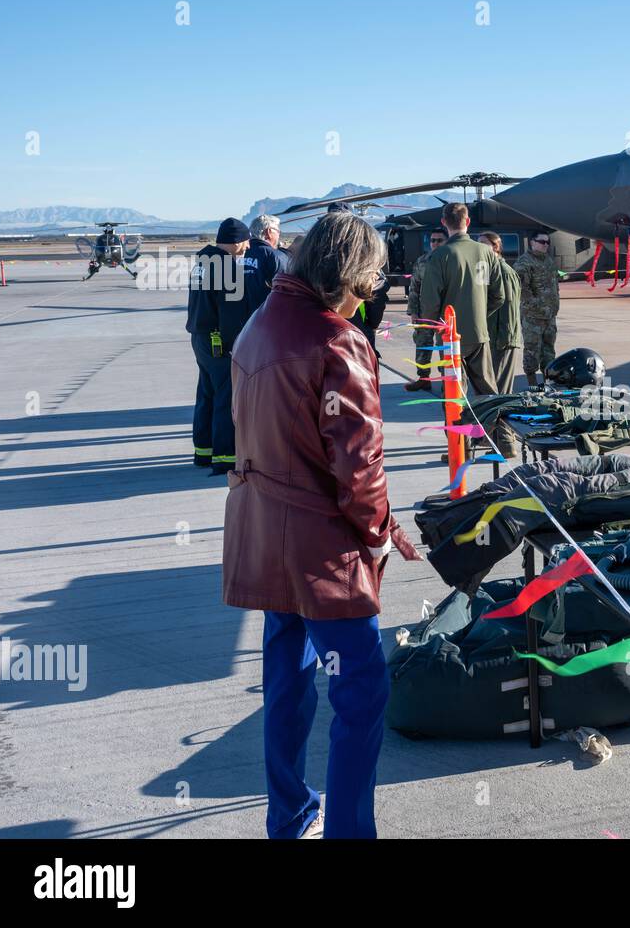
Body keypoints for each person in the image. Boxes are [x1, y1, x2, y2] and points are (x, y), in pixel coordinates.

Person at [222, 212, 420, 840]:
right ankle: (351, 831)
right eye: (366, 285)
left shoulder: (258, 324)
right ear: (348, 275)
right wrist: (382, 531)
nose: (367, 297)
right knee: (361, 692)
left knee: (288, 683)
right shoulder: (339, 342)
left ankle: (289, 816)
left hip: (265, 534)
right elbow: (359, 467)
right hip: (319, 550)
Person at [185, 217, 251, 475]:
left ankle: (203, 451)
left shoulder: (203, 263)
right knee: (226, 396)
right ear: (235, 242)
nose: (247, 247)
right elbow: (231, 314)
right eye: (245, 242)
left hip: (200, 338)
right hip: (218, 341)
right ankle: (225, 457)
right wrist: (237, 344)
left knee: (207, 393)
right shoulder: (228, 269)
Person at [418, 203, 505, 400]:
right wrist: (479, 315)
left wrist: (434, 327)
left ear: (443, 222)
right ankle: (492, 429)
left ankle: (459, 431)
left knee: (454, 393)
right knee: (488, 393)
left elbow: (430, 303)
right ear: (468, 222)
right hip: (479, 333)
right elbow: (498, 295)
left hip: (449, 336)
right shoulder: (487, 252)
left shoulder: (439, 255)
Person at [478, 230, 522, 457]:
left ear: (496, 248)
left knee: (500, 394)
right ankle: (492, 439)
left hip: (502, 340)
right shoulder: (489, 270)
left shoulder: (503, 272)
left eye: (484, 245)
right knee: (491, 393)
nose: (479, 249)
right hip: (495, 338)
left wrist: (499, 340)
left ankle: (506, 443)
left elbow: (507, 310)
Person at [403, 227, 447, 392]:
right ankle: (423, 378)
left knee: (445, 347)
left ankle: (446, 379)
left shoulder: (450, 259)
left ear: (447, 241)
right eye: (432, 240)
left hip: (445, 312)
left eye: (439, 240)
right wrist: (413, 312)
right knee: (422, 344)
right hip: (424, 312)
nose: (435, 243)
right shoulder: (422, 261)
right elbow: (414, 288)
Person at [513, 230, 559, 387]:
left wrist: (552, 308)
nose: (545, 245)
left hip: (550, 316)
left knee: (549, 351)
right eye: (542, 242)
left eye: (547, 242)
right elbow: (521, 290)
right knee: (532, 350)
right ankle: (532, 384)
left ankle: (549, 383)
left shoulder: (548, 261)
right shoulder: (524, 262)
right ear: (532, 242)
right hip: (533, 317)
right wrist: (537, 306)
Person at [243, 214, 290, 311]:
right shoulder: (276, 256)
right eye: (278, 231)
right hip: (266, 316)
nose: (278, 235)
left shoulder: (239, 253)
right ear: (269, 232)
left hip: (239, 319)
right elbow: (285, 291)